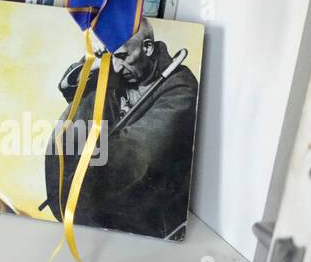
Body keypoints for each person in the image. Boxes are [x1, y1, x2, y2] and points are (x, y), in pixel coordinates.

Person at [43, 20, 199, 239]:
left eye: (123, 56)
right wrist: (96, 62)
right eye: (111, 56)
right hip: (87, 206)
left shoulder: (182, 89)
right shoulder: (116, 67)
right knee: (89, 96)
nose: (116, 66)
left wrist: (77, 181)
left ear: (147, 48)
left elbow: (136, 156)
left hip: (141, 221)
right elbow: (68, 88)